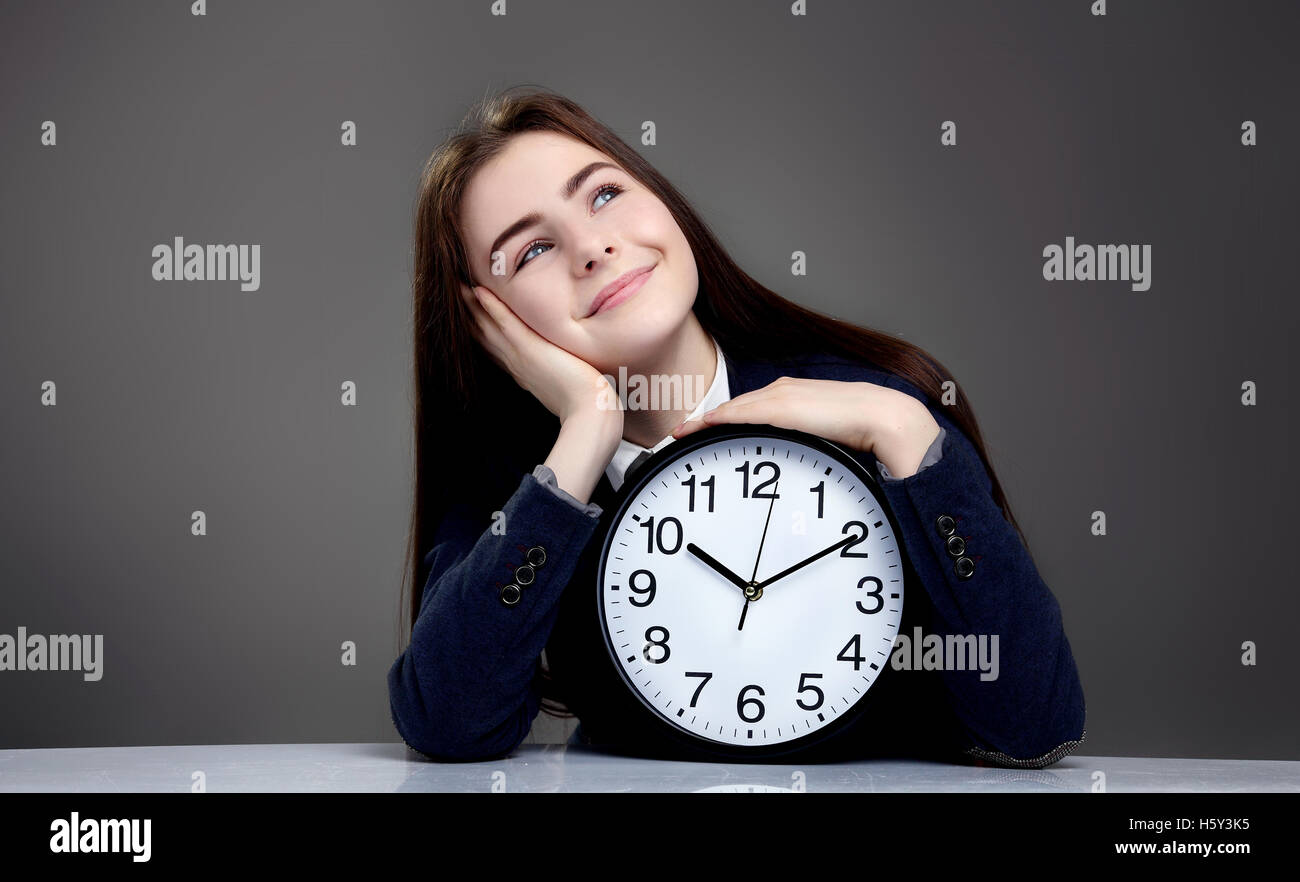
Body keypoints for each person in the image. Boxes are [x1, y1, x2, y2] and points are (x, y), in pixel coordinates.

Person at [387, 86, 1086, 768]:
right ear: (489, 324)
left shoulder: (872, 413)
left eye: (603, 194)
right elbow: (447, 722)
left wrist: (903, 425)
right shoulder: (526, 490)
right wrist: (584, 432)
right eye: (531, 251)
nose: (592, 248)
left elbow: (1036, 725)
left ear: (663, 203)